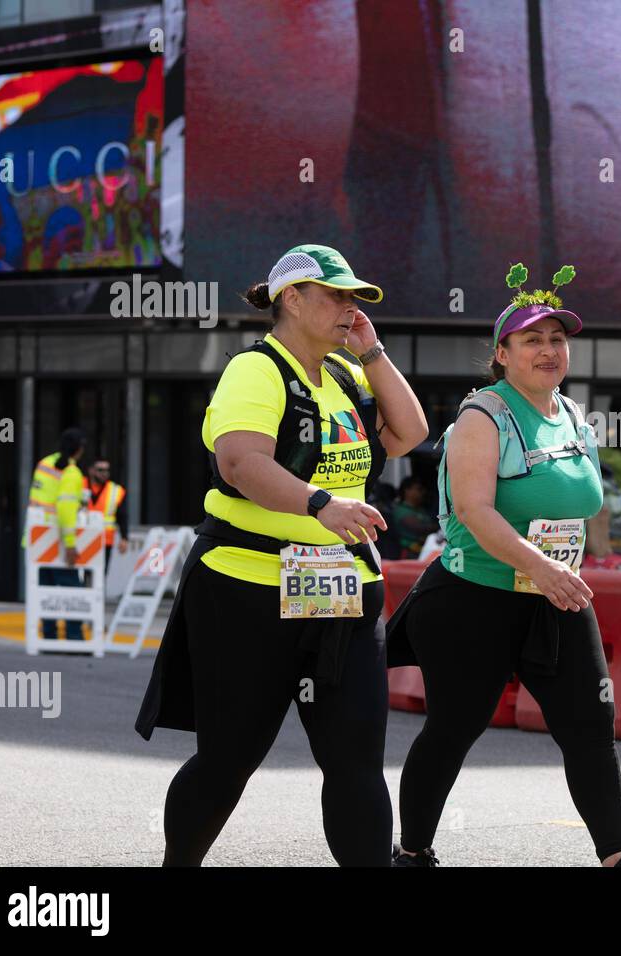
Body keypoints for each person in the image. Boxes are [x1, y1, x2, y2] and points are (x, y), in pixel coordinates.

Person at [135, 244, 428, 866]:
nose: (350, 308)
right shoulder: (256, 370)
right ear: (290, 299)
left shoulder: (347, 375)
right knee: (230, 757)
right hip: (247, 589)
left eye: (356, 299)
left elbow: (409, 434)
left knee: (356, 762)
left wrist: (371, 353)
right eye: (337, 296)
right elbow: (241, 464)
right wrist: (322, 505)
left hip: (343, 590)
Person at [384, 263, 621, 867]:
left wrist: (584, 562)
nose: (549, 350)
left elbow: (583, 509)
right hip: (473, 599)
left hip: (555, 598)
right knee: (454, 730)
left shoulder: (575, 417)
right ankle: (413, 851)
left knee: (590, 729)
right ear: (502, 354)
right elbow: (476, 512)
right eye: (533, 340)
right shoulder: (484, 416)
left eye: (558, 339)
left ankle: (618, 857)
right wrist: (547, 568)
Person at [26, 428, 88, 641]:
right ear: (79, 449)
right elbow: (66, 510)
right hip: (57, 540)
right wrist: (70, 544)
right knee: (72, 590)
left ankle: (49, 637)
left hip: (37, 539)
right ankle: (74, 635)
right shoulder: (71, 473)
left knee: (45, 591)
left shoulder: (44, 463)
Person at [84, 459, 129, 569]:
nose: (104, 473)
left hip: (104, 540)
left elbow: (122, 516)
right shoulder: (80, 484)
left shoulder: (116, 490)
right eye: (100, 470)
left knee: (100, 575)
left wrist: (124, 537)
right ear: (91, 471)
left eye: (107, 470)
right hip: (82, 536)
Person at [390, 475, 438, 560]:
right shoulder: (401, 510)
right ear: (407, 491)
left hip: (425, 549)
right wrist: (440, 526)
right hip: (409, 553)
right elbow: (418, 528)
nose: (423, 492)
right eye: (419, 489)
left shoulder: (421, 510)